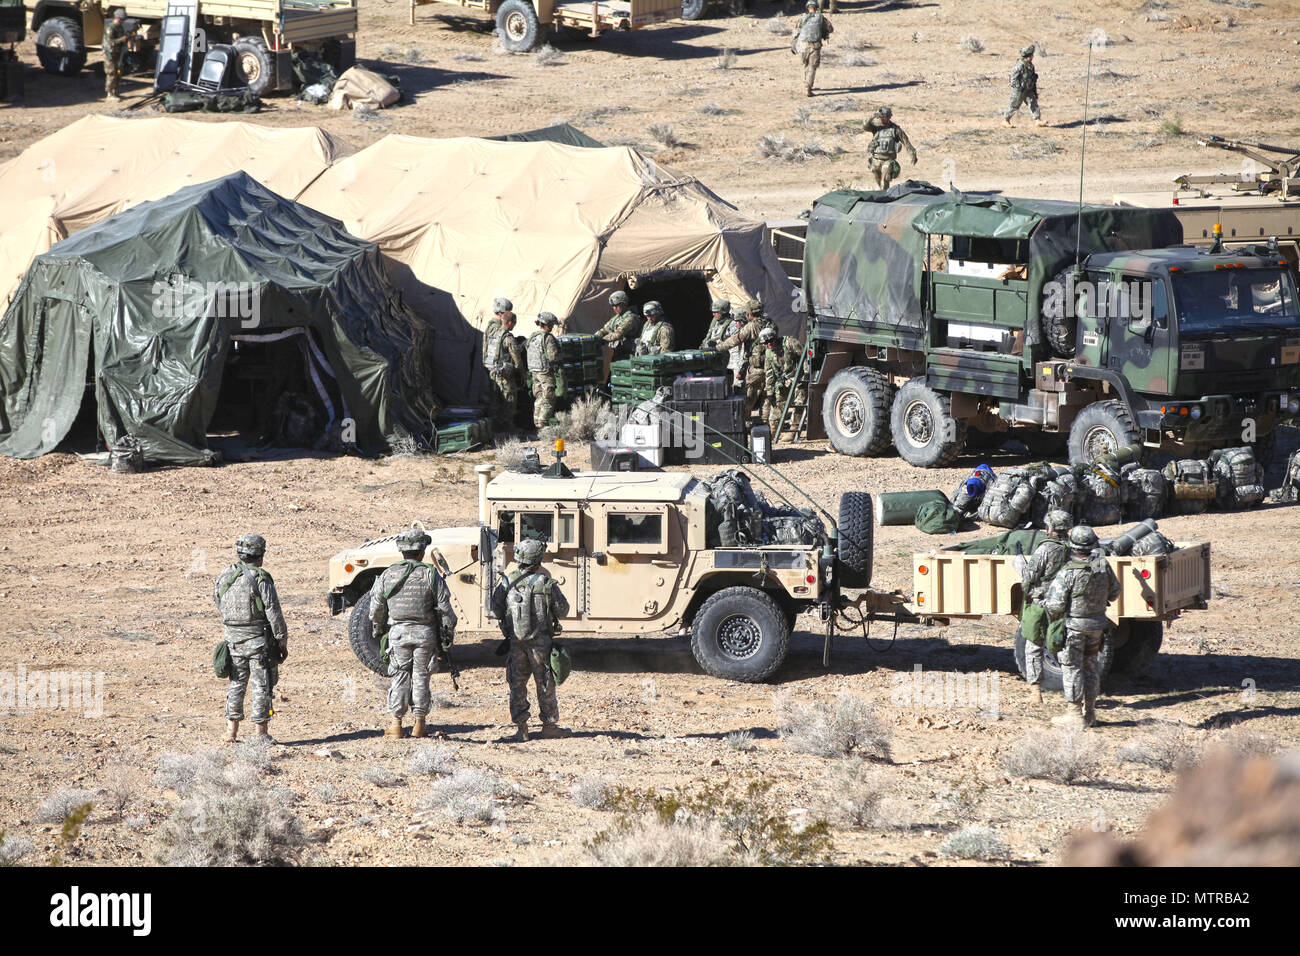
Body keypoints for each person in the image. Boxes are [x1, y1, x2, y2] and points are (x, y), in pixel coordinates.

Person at [370, 529, 457, 740]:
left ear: (402, 550)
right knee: (421, 677)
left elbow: (375, 610)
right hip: (425, 635)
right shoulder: (430, 574)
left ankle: (396, 724)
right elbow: (446, 611)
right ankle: (420, 724)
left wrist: (379, 630)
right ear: (422, 551)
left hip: (398, 634)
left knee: (399, 675)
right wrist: (446, 636)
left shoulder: (388, 574)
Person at [490, 537, 572, 742]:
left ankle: (522, 728)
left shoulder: (507, 582)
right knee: (544, 683)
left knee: (517, 684)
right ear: (538, 560)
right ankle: (550, 726)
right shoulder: (546, 583)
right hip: (541, 643)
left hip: (516, 642)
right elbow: (563, 610)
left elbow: (496, 608)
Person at [1042, 525, 1121, 728]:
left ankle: (1075, 715)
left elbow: (1055, 605)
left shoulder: (1068, 573)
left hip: (1073, 628)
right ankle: (1090, 713)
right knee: (1091, 665)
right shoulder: (1100, 564)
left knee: (1072, 668)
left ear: (1072, 545)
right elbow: (1114, 592)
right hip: (1097, 625)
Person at [213, 533, 288, 743]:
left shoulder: (225, 575)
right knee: (261, 685)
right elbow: (274, 613)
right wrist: (282, 641)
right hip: (258, 642)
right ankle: (260, 733)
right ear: (261, 555)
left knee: (236, 683)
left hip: (233, 641)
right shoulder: (261, 578)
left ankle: (231, 731)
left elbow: (218, 600)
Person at [1011, 510, 1072, 704]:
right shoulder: (1075, 548)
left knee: (1034, 646)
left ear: (1049, 528)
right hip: (1064, 605)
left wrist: (1018, 558)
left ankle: (1035, 692)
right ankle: (1074, 692)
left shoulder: (1045, 549)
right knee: (1064, 646)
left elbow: (1029, 576)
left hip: (1041, 605)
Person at [717, 300, 767, 412]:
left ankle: (744, 421)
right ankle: (766, 423)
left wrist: (717, 348)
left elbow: (736, 339)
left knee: (747, 398)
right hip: (769, 365)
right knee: (766, 396)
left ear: (749, 314)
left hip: (756, 367)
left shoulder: (750, 326)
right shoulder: (769, 323)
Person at [483, 299, 524, 433]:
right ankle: (507, 429)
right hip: (503, 371)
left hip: (491, 369)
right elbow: (516, 359)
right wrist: (521, 373)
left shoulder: (490, 328)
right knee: (508, 400)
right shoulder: (503, 333)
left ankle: (495, 429)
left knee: (496, 400)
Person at [760, 327, 805, 437]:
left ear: (775, 338)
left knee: (799, 403)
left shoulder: (789, 343)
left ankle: (793, 430)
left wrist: (806, 373)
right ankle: (773, 432)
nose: (768, 344)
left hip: (798, 379)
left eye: (770, 341)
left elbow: (805, 356)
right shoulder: (768, 353)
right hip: (783, 382)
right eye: (765, 343)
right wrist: (770, 393)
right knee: (777, 406)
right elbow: (769, 373)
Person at [864, 106, 917, 190]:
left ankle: (884, 197)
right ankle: (882, 193)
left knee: (884, 181)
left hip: (888, 160)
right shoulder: (876, 127)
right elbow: (865, 126)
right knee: (877, 179)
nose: (885, 119)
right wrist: (873, 116)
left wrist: (912, 154)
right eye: (883, 117)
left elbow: (906, 142)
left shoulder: (895, 129)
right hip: (875, 160)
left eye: (887, 117)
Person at [527, 312, 561, 431]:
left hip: (534, 371)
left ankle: (536, 423)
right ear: (548, 324)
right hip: (545, 372)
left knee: (539, 397)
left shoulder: (532, 337)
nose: (552, 327)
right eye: (551, 324)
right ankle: (542, 423)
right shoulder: (548, 338)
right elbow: (553, 357)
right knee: (549, 398)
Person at [793, 0, 833, 98]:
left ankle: (807, 83)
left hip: (803, 46)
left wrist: (793, 45)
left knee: (806, 65)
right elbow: (831, 29)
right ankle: (808, 88)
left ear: (807, 7)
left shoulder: (802, 18)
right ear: (817, 7)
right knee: (812, 67)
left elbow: (796, 32)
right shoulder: (821, 18)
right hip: (815, 46)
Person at [1003, 45, 1045, 128]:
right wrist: (1018, 87)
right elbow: (1013, 77)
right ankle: (1005, 120)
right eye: (1031, 55)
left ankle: (1037, 120)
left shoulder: (1030, 65)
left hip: (1028, 89)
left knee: (1033, 103)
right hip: (1019, 90)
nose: (1032, 57)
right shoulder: (1020, 65)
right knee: (1014, 105)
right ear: (1027, 56)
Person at [596, 290, 642, 359]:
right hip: (619, 353)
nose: (614, 308)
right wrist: (597, 335)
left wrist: (602, 340)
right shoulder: (617, 317)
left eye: (617, 305)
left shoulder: (631, 318)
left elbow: (618, 334)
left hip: (631, 355)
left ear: (623, 304)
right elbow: (606, 329)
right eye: (613, 306)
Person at [103, 9, 127, 101]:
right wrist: (121, 39)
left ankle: (115, 91)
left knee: (118, 72)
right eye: (122, 19)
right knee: (111, 73)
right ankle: (109, 93)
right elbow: (109, 42)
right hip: (110, 54)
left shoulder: (120, 27)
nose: (123, 21)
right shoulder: (110, 28)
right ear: (117, 18)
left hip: (118, 53)